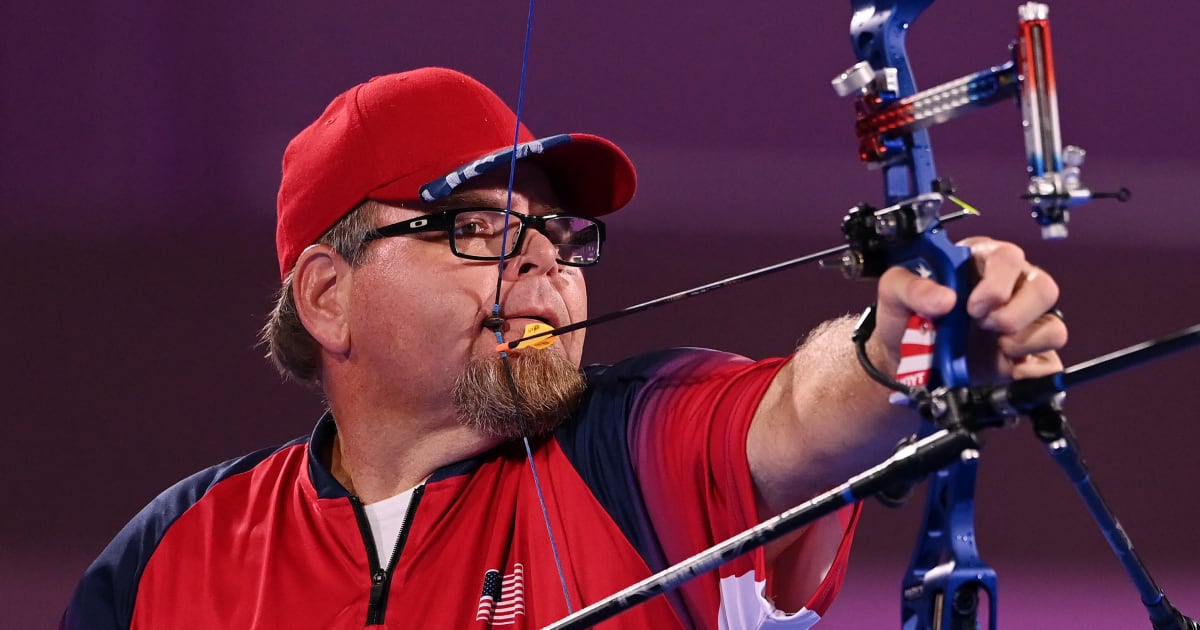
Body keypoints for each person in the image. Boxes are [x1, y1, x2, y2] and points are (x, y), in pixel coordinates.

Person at [61, 67, 1067, 629]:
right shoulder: (175, 550)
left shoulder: (634, 450)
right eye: (483, 229)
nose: (547, 262)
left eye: (560, 235)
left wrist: (917, 339)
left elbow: (803, 407)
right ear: (329, 296)